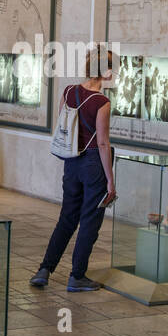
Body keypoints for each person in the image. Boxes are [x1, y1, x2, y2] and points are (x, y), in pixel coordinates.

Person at [31, 47, 117, 292]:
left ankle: (44, 270)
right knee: (90, 220)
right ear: (106, 72)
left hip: (71, 162)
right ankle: (77, 276)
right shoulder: (102, 102)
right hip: (92, 164)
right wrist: (110, 180)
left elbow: (63, 124)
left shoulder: (69, 92)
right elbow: (102, 142)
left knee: (67, 218)